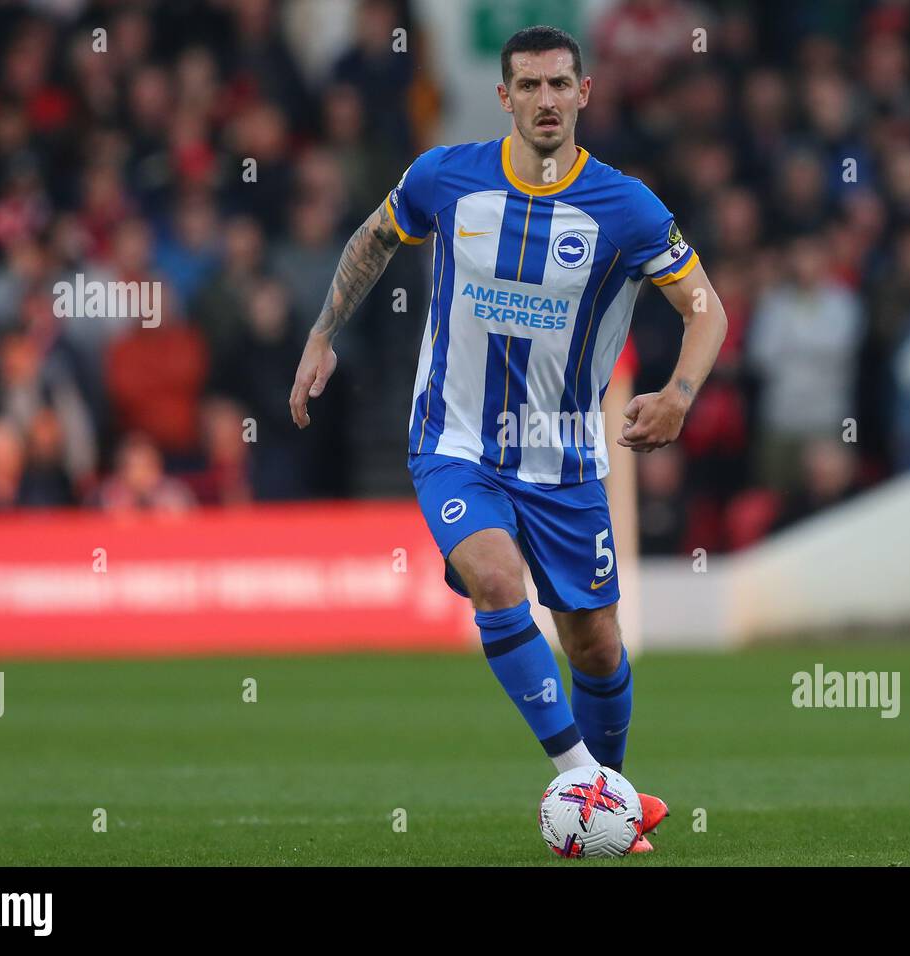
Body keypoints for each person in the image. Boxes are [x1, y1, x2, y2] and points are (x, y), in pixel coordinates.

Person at [288, 26, 727, 854]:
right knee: (494, 575)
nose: (547, 100)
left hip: (564, 459)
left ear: (584, 93)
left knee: (593, 643)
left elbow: (707, 309)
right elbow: (374, 238)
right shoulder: (443, 178)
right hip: (456, 442)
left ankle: (610, 799)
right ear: (504, 98)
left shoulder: (626, 207)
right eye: (529, 86)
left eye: (561, 84)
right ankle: (585, 782)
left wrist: (679, 392)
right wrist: (322, 333)